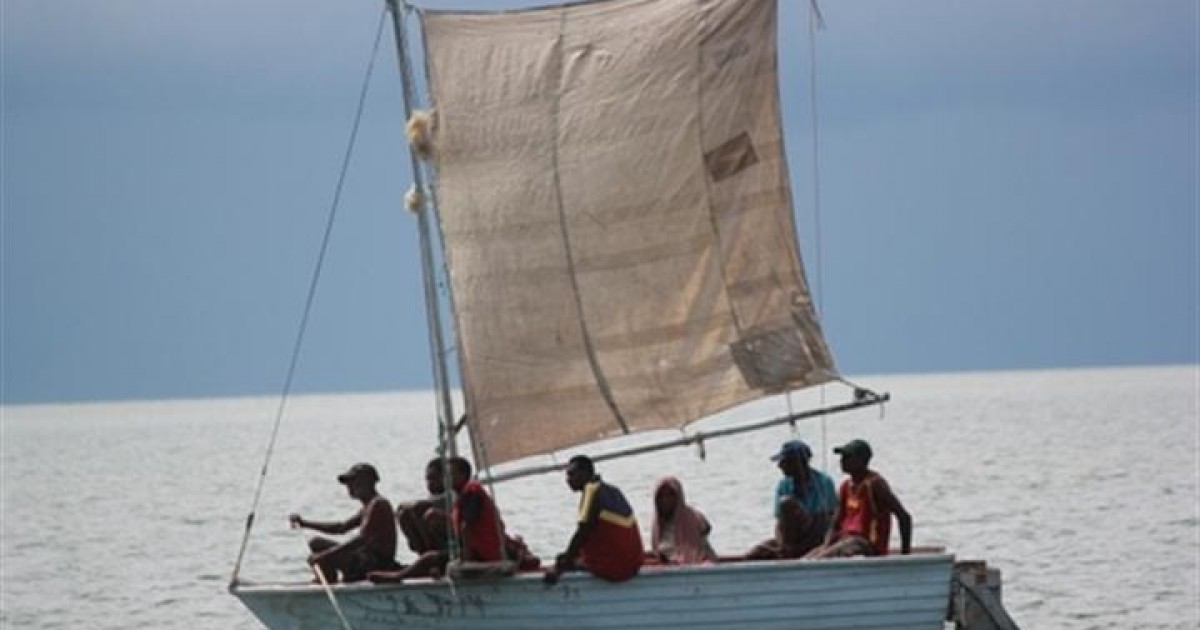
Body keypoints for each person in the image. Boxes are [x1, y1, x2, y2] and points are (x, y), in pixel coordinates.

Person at [370, 456, 539, 583]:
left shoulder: (471, 493)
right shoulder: (462, 494)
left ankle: (398, 576)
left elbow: (467, 527)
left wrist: (466, 561)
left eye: (451, 474)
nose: (447, 478)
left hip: (485, 554)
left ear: (463, 475)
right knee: (430, 551)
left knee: (430, 555)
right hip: (476, 549)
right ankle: (425, 568)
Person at [288, 462, 399, 583]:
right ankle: (327, 581)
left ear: (367, 482)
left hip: (377, 564)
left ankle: (329, 582)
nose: (349, 487)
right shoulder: (368, 506)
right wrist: (305, 523)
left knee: (320, 550)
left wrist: (325, 555)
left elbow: (361, 539)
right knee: (316, 543)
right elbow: (341, 528)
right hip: (365, 559)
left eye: (353, 482)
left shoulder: (378, 504)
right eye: (348, 483)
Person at [544, 455, 643, 584]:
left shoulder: (590, 490)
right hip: (634, 565)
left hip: (617, 569)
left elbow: (582, 533)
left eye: (572, 474)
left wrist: (561, 566)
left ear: (585, 474)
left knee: (564, 559)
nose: (568, 480)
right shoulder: (613, 490)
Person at [809, 439, 912, 558]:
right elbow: (835, 522)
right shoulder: (845, 486)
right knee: (810, 557)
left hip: (865, 543)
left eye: (847, 457)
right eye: (842, 457)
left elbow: (904, 517)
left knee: (828, 555)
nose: (842, 461)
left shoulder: (875, 484)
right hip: (845, 539)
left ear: (862, 460)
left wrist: (905, 554)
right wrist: (826, 544)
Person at [745, 439, 837, 560]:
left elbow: (823, 522)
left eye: (784, 462)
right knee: (754, 554)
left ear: (797, 462)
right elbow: (779, 523)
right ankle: (786, 551)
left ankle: (792, 552)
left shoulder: (824, 482)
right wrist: (782, 545)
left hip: (815, 536)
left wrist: (799, 549)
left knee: (786, 503)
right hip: (789, 539)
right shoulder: (783, 485)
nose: (779, 466)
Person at [649, 476, 718, 565]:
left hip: (699, 565)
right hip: (669, 568)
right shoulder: (657, 525)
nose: (665, 500)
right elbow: (658, 553)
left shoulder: (693, 517)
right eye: (661, 496)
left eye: (670, 495)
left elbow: (706, 530)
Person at [394, 457, 449, 555]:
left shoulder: (450, 494)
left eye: (434, 478)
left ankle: (431, 553)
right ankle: (423, 552)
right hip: (436, 539)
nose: (430, 483)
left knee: (422, 511)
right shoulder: (433, 497)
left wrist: (402, 505)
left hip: (451, 539)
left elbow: (418, 506)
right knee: (404, 514)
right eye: (428, 479)